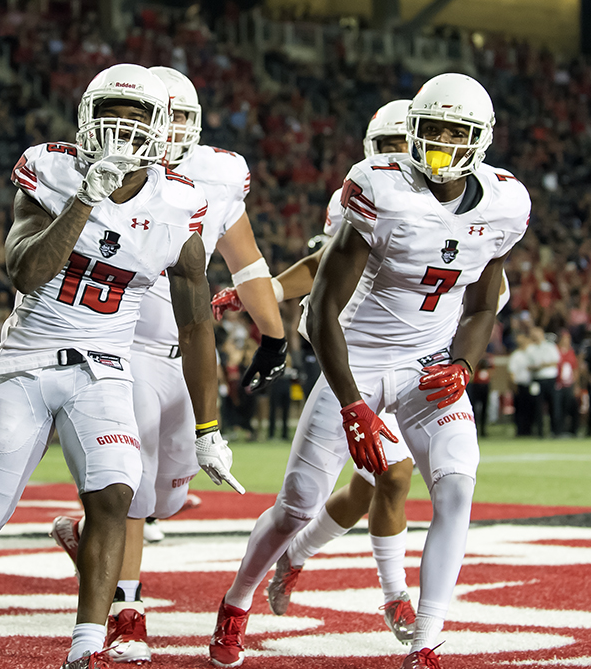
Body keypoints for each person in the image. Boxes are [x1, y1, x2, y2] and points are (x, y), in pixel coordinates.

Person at [207, 73, 530, 669]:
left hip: (429, 365)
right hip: (356, 358)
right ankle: (237, 600)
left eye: (451, 131)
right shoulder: (379, 188)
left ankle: (427, 640)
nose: (436, 141)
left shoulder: (507, 202)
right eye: (427, 128)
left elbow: (485, 303)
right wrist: (354, 403)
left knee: (456, 486)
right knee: (297, 505)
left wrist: (464, 363)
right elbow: (325, 305)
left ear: (480, 139)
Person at [0, 64, 241, 669]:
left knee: (115, 493)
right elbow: (25, 271)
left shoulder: (178, 202)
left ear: (162, 131)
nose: (123, 130)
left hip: (104, 366)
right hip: (28, 360)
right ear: (85, 117)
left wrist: (208, 428)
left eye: (137, 119)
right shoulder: (52, 171)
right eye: (112, 114)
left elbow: (195, 321)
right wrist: (87, 197)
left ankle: (85, 648)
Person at [48, 66, 287, 664]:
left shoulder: (218, 175)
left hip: (187, 358)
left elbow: (247, 261)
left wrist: (274, 334)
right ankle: (128, 614)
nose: (173, 130)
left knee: (165, 500)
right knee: (127, 491)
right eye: (165, 116)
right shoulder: (107, 166)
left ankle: (86, 539)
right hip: (122, 348)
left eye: (183, 117)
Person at [527, 327, 559, 436]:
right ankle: (540, 432)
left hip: (550, 379)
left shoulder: (550, 346)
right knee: (538, 406)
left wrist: (541, 365)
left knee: (553, 405)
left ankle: (555, 431)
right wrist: (543, 365)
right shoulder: (530, 348)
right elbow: (529, 366)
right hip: (537, 379)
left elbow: (555, 362)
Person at [508, 333, 534, 436]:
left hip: (530, 384)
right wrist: (514, 385)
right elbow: (511, 372)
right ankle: (520, 430)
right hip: (520, 384)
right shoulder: (516, 355)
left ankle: (529, 430)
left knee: (530, 408)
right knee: (520, 409)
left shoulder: (531, 353)